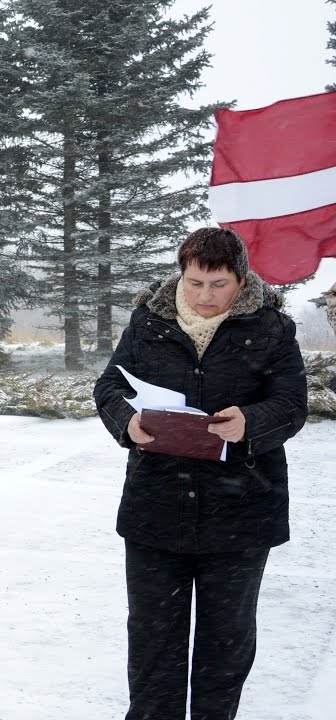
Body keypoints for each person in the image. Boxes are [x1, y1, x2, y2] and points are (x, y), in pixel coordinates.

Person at [93, 227, 307, 719]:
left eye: (218, 284)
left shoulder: (272, 328)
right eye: (195, 283)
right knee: (153, 637)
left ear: (241, 280)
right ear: (181, 276)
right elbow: (109, 386)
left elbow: (292, 404)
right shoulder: (148, 322)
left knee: (225, 639)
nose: (205, 296)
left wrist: (251, 421)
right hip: (156, 507)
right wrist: (127, 420)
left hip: (240, 511)